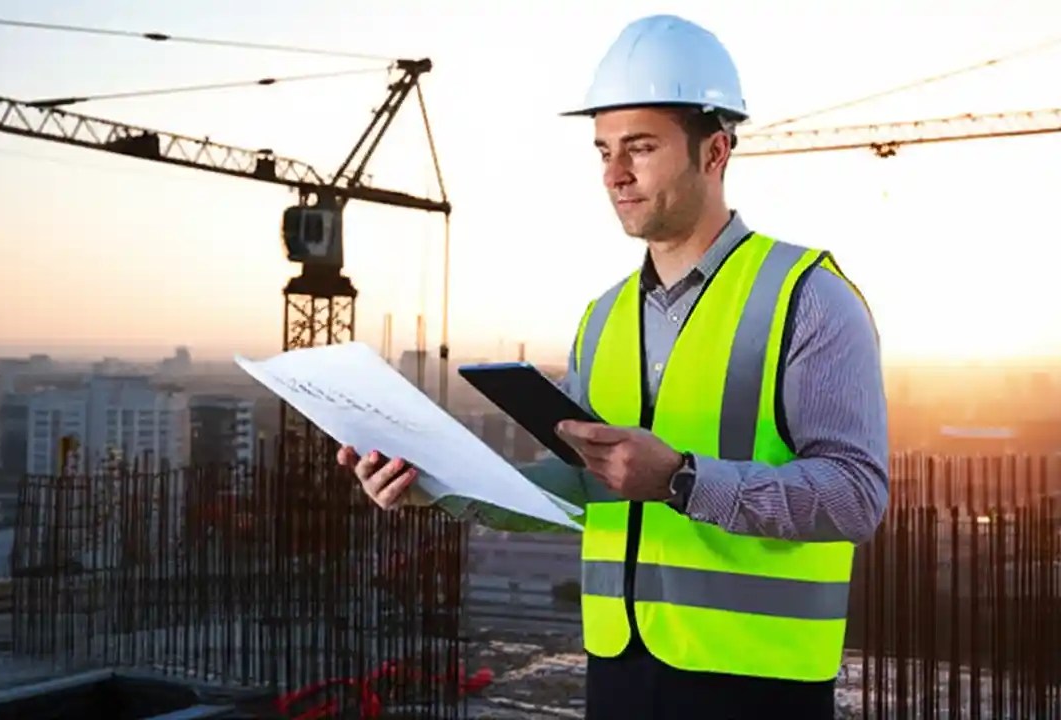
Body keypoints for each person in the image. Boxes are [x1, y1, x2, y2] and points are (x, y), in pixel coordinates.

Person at [336, 13, 889, 720]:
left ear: (715, 151)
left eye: (641, 148)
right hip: (620, 671)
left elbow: (856, 496)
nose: (614, 175)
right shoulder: (604, 318)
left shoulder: (806, 297)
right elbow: (581, 486)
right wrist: (438, 486)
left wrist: (682, 480)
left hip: (758, 683)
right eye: (603, 150)